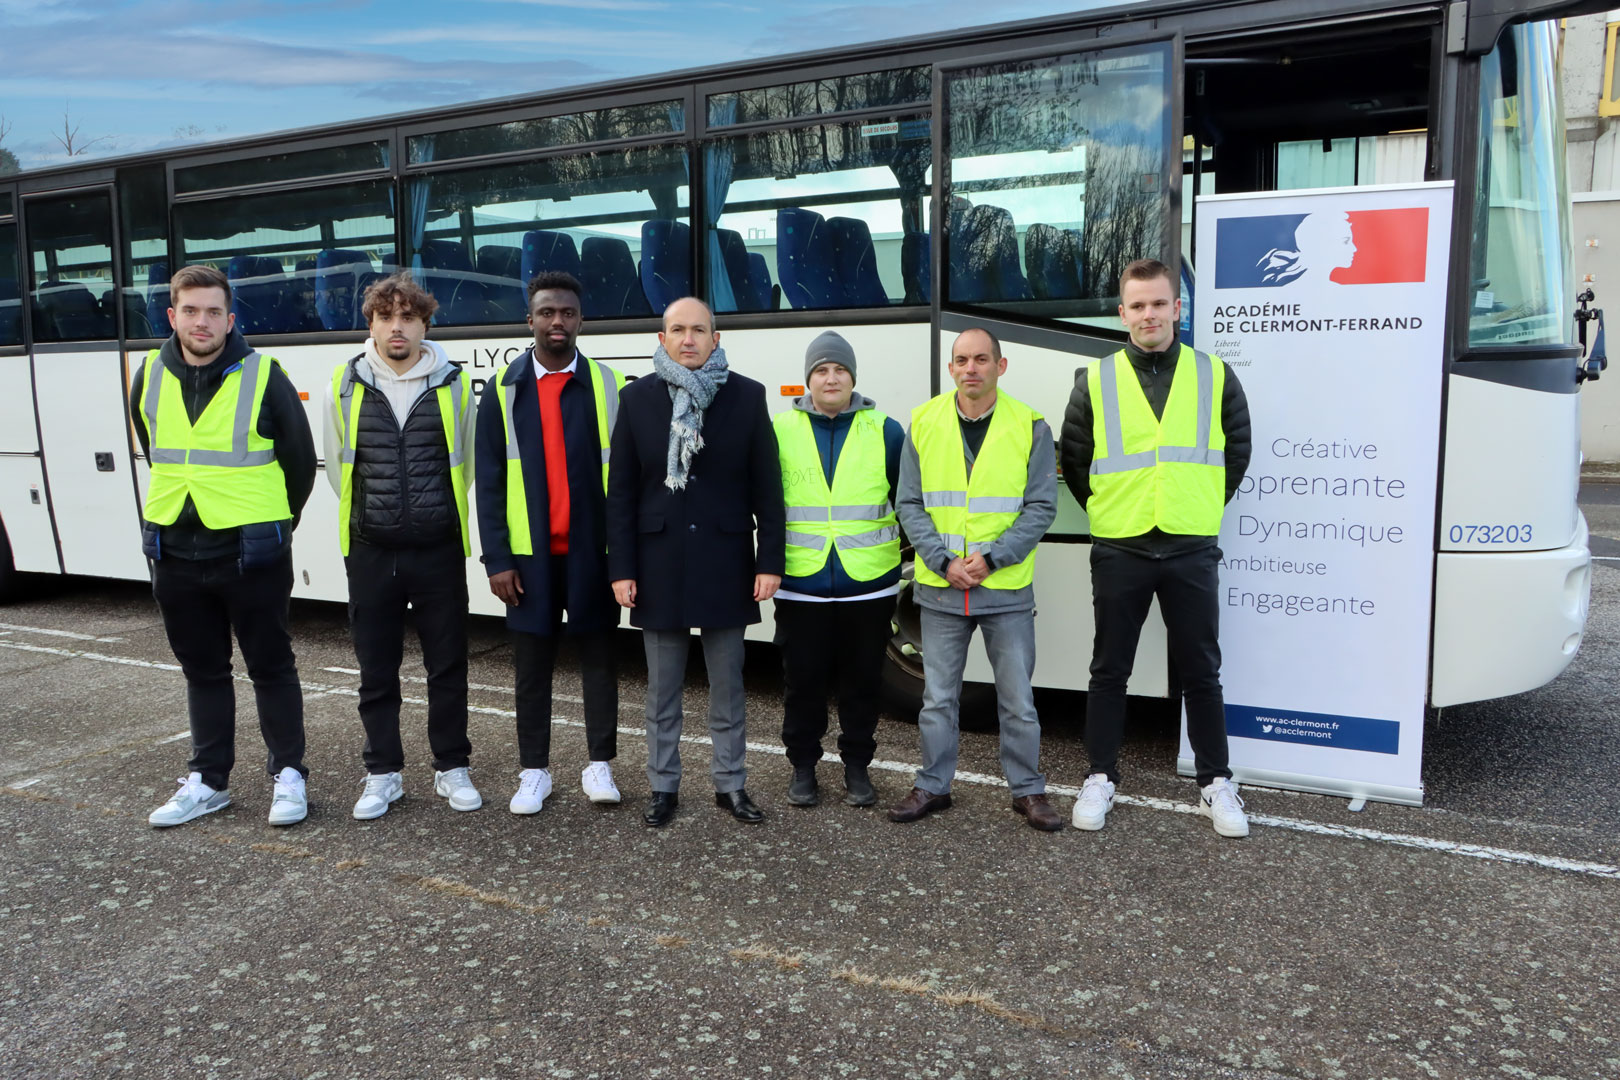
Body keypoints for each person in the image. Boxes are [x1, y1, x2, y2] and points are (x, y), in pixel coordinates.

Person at [1058, 257, 1253, 837]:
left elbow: (1236, 451)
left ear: (1177, 308)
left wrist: (1200, 506)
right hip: (1121, 544)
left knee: (1202, 670)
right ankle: (1099, 776)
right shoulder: (1095, 380)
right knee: (1108, 669)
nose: (1149, 314)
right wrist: (1108, 509)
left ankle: (1217, 783)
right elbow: (1075, 460)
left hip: (1190, 543)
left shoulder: (1215, 374)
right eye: (1137, 305)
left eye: (1159, 303)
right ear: (1123, 314)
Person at [134, 264, 316, 828]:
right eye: (190, 310)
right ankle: (209, 782)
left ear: (230, 317)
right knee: (203, 672)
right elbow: (153, 446)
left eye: (214, 311)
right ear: (172, 316)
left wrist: (274, 524)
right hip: (175, 550)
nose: (202, 321)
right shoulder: (146, 375)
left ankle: (289, 775)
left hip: (250, 552)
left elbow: (300, 464)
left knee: (271, 665)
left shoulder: (265, 375)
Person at [606, 296, 785, 827]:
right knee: (662, 690)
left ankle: (730, 785)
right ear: (662, 339)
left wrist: (768, 560)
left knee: (728, 687)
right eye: (678, 330)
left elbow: (768, 488)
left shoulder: (748, 397)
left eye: (699, 330)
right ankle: (663, 786)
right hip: (657, 563)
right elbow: (620, 493)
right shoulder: (635, 399)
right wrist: (621, 568)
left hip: (727, 561)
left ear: (716, 338)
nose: (688, 339)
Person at [889, 327, 1061, 831]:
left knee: (1017, 701)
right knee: (938, 699)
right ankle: (932, 786)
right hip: (943, 589)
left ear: (1000, 367)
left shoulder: (1031, 426)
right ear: (951, 368)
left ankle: (1028, 791)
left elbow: (1041, 507)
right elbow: (910, 503)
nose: (971, 369)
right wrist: (944, 562)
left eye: (981, 359)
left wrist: (992, 558)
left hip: (1003, 589)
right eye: (961, 360)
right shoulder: (923, 422)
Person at [323, 271, 479, 820]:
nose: (397, 327)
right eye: (386, 317)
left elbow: (467, 462)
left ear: (424, 325)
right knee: (376, 668)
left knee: (447, 666)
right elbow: (338, 467)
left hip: (438, 549)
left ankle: (451, 767)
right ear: (371, 323)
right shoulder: (343, 384)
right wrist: (376, 521)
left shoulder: (454, 385)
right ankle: (383, 773)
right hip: (372, 550)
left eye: (408, 318)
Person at [475, 271, 626, 815]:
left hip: (594, 555)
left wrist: (622, 558)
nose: (556, 322)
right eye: (546, 312)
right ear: (530, 320)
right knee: (531, 671)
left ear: (581, 320)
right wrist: (497, 559)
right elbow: (488, 480)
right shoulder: (501, 389)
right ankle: (533, 772)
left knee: (599, 664)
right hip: (528, 560)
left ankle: (599, 764)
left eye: (566, 312)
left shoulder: (609, 387)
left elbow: (625, 480)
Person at [771, 331, 903, 809]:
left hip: (867, 586)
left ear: (853, 378)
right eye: (822, 370)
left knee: (862, 683)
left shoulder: (886, 430)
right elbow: (765, 506)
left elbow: (907, 502)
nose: (831, 378)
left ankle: (857, 767)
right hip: (800, 584)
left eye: (840, 370)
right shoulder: (779, 430)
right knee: (801, 682)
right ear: (808, 379)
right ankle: (803, 768)